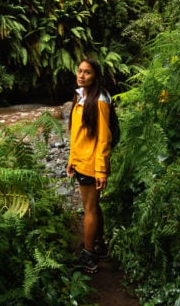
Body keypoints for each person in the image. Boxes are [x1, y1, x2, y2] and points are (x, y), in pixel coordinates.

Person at [66, 58, 112, 274]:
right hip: (81, 161)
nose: (81, 75)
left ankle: (89, 255)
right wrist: (71, 159)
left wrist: (101, 170)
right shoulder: (81, 96)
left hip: (92, 165)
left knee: (89, 209)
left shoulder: (99, 101)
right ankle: (99, 245)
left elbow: (103, 138)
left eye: (87, 72)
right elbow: (78, 135)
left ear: (96, 76)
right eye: (79, 71)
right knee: (93, 206)